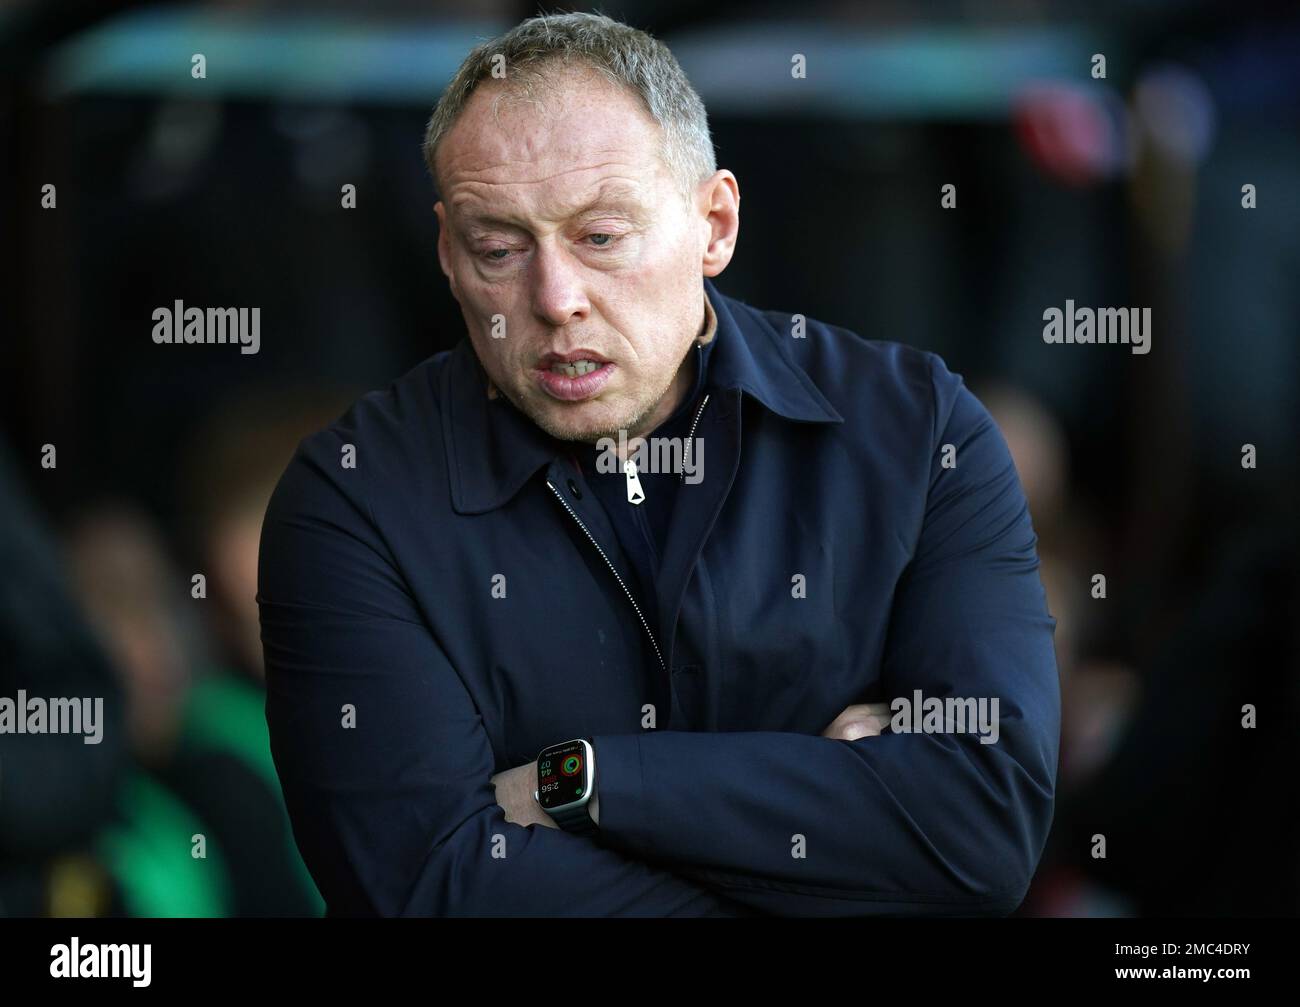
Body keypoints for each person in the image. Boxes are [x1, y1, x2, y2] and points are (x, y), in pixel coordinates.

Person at [258, 12, 1060, 917]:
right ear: (447, 253)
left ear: (713, 225)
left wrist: (586, 780)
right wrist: (833, 840)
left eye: (601, 237)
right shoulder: (354, 499)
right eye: (499, 248)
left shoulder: (917, 433)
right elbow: (432, 891)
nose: (556, 299)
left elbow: (984, 828)